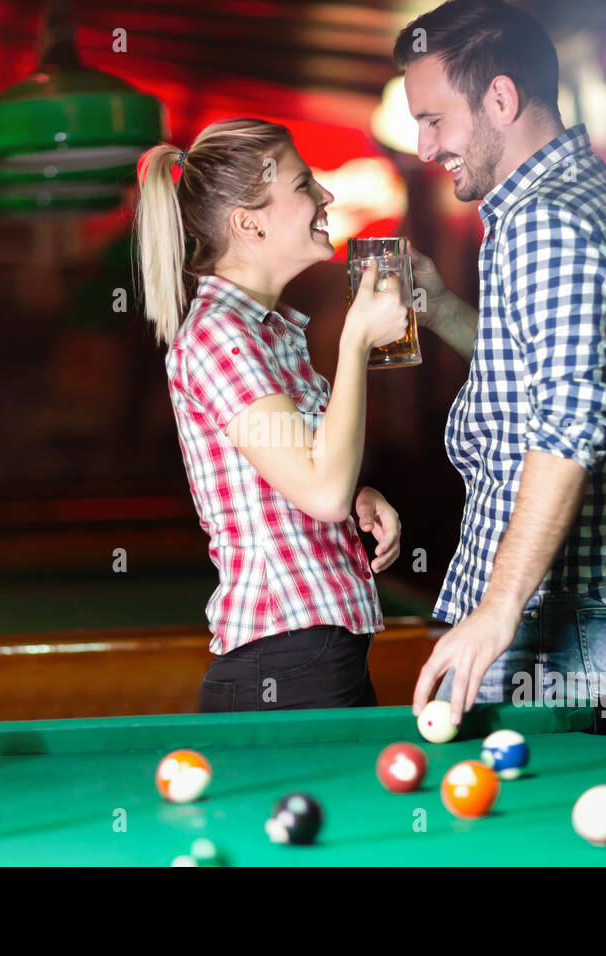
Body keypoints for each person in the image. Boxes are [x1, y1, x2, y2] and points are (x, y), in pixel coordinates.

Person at [395, 0, 606, 723]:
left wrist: (496, 609)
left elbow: (569, 427)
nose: (424, 147)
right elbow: (540, 372)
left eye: (433, 119)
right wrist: (444, 310)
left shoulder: (544, 218)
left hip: (551, 620)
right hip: (558, 615)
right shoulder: (575, 192)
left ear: (501, 97)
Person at [133, 118, 410, 711]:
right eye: (305, 184)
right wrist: (356, 341)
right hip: (286, 662)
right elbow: (322, 494)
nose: (326, 197)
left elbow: (314, 484)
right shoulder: (219, 337)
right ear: (249, 222)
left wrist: (356, 492)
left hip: (314, 652)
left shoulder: (265, 331)